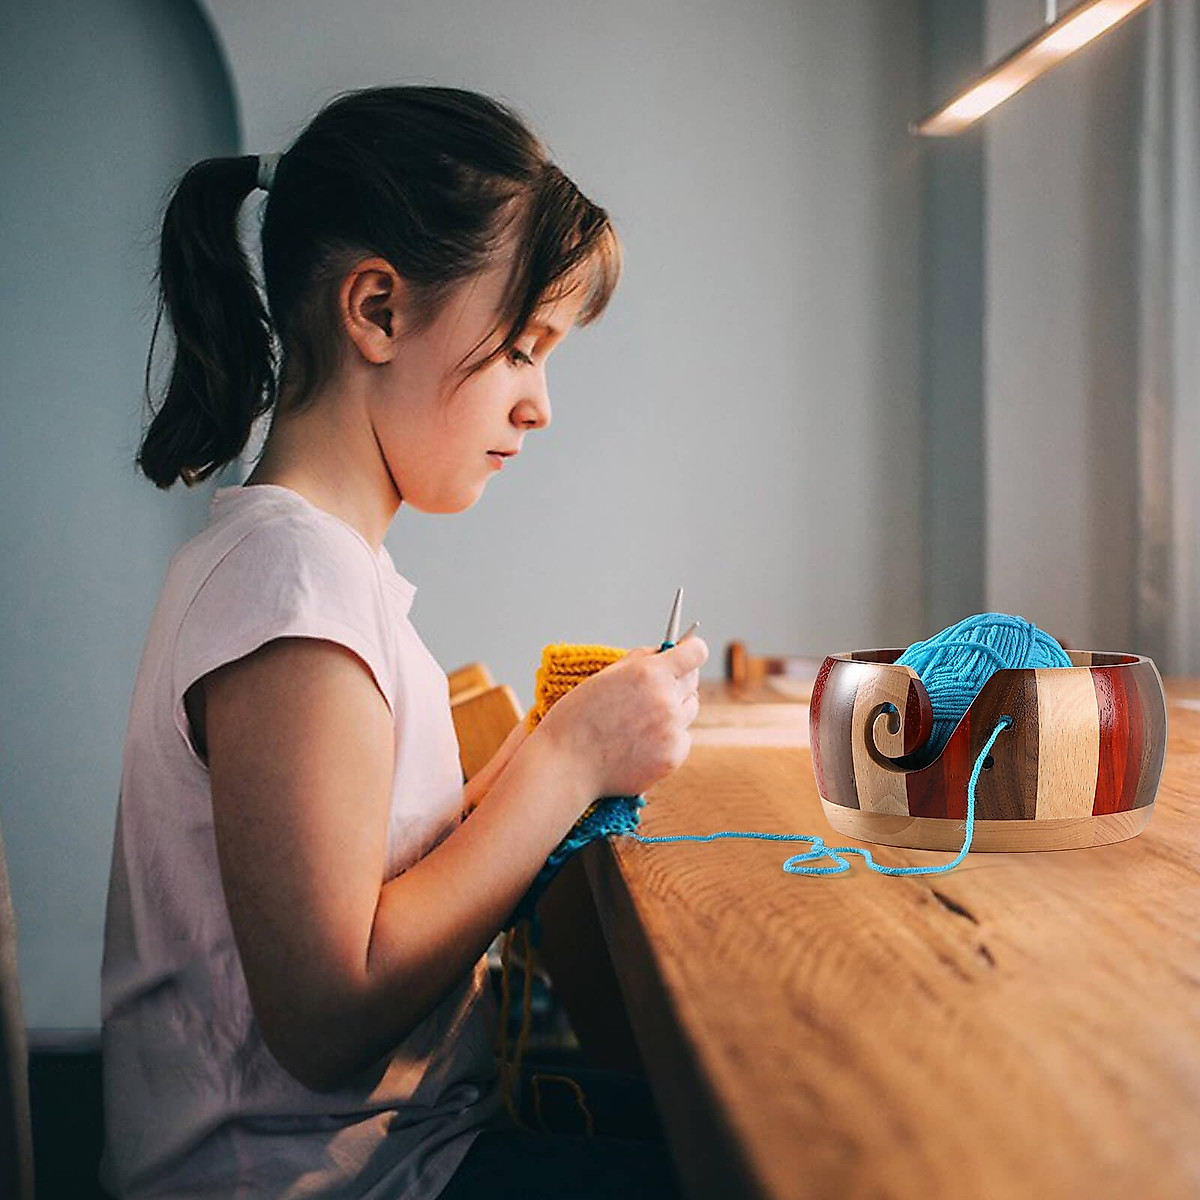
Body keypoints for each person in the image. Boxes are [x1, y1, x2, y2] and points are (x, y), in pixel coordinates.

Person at [99, 84, 708, 1199]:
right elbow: (329, 1012)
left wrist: (533, 772)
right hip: (329, 1183)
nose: (541, 407)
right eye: (525, 346)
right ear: (376, 310)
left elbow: (366, 881)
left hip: (404, 1152)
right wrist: (566, 764)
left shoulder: (323, 573)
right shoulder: (292, 587)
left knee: (708, 1125)